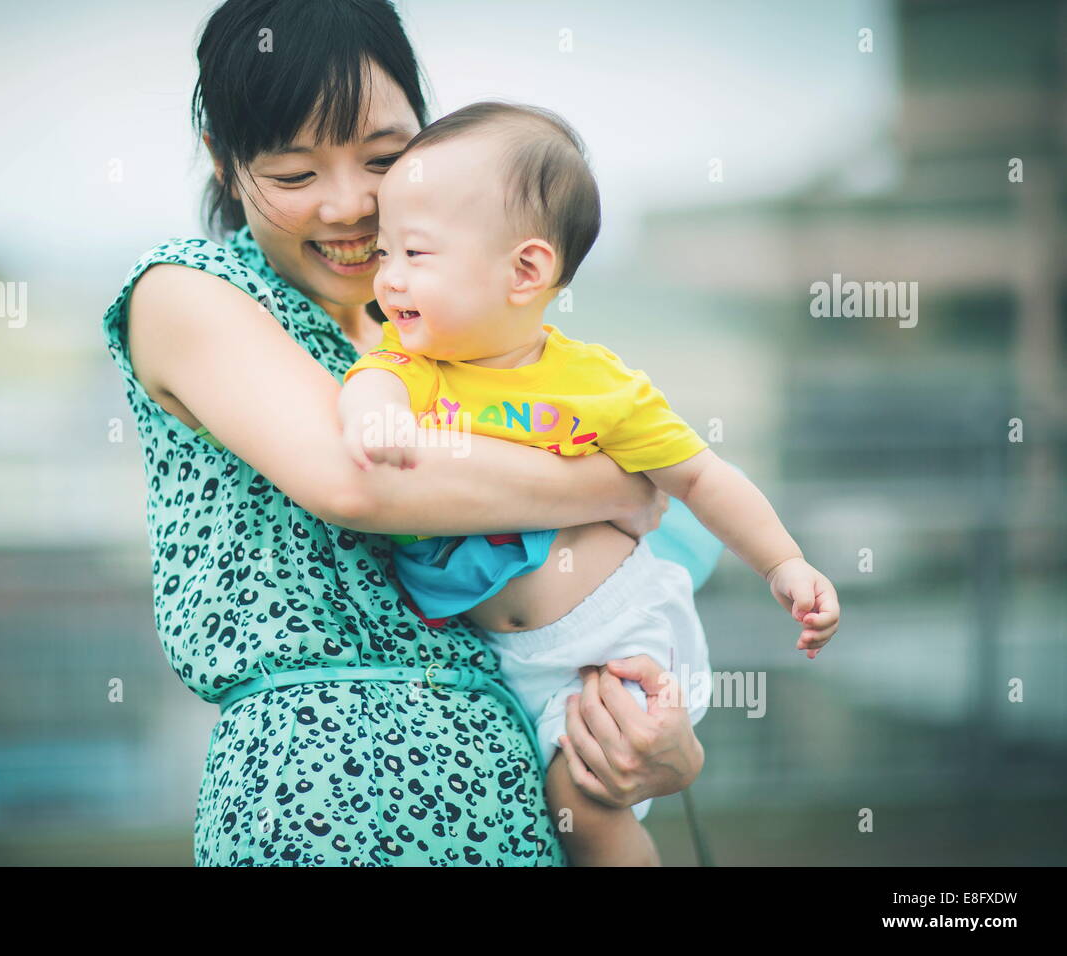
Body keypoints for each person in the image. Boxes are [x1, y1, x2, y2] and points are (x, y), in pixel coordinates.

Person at [103, 0, 705, 866]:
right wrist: (623, 483)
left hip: (508, 799)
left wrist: (660, 749)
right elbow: (361, 483)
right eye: (294, 173)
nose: (350, 205)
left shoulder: (436, 329)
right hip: (317, 800)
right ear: (226, 165)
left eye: (383, 158)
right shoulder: (187, 292)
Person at [338, 101, 842, 865]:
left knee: (587, 803)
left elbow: (701, 476)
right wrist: (377, 427)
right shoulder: (407, 372)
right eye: (384, 254)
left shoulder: (598, 387)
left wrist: (784, 563)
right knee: (549, 811)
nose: (389, 278)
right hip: (516, 669)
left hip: (621, 639)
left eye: (415, 254)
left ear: (527, 270)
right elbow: (365, 393)